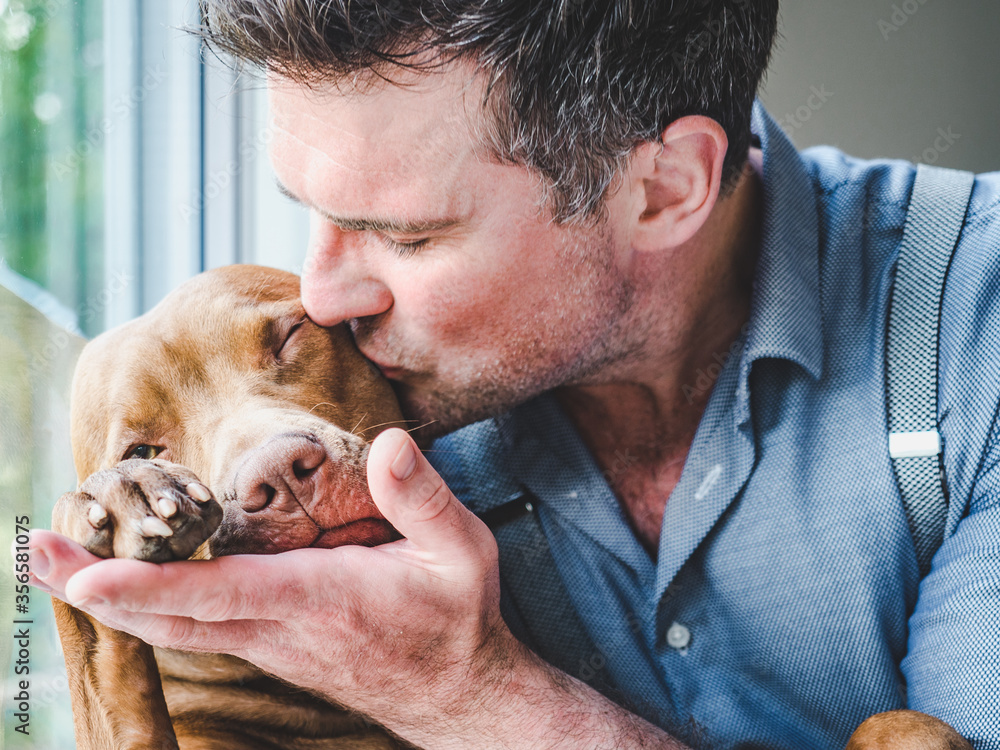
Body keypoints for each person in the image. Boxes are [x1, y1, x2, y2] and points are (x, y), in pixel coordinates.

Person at [26, 1, 1000, 747]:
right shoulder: (345, 405)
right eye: (309, 213)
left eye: (403, 234)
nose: (322, 296)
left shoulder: (971, 332)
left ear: (662, 190)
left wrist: (470, 698)